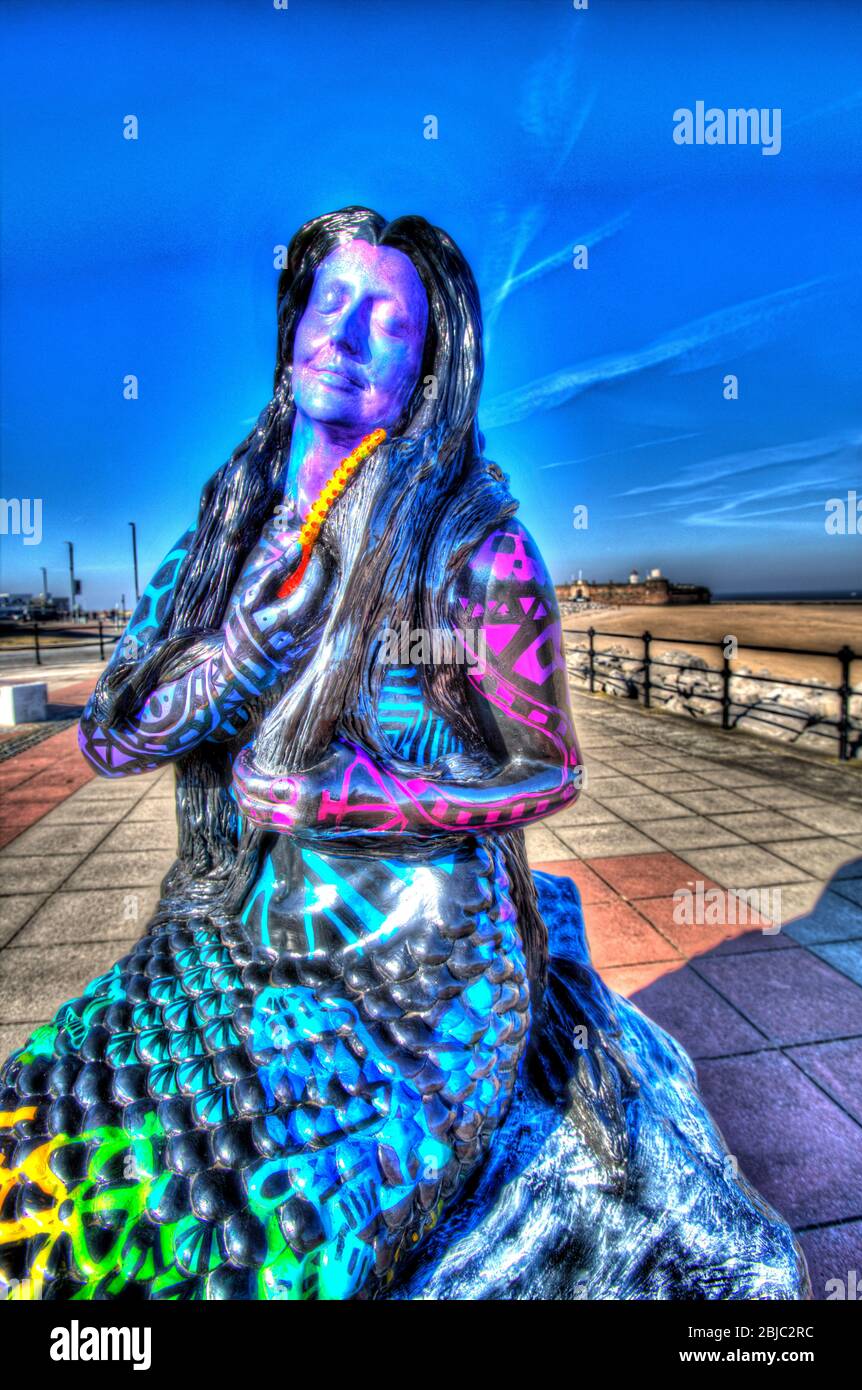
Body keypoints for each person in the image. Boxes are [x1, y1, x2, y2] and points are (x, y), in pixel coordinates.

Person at [0, 209, 807, 1301]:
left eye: (387, 320)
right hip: (241, 941)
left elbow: (548, 763)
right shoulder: (227, 530)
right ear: (288, 340)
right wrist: (246, 648)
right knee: (43, 1130)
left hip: (417, 986)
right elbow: (110, 733)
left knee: (246, 1234)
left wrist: (365, 793)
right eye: (330, 304)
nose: (346, 333)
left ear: (426, 368)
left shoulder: (475, 546)